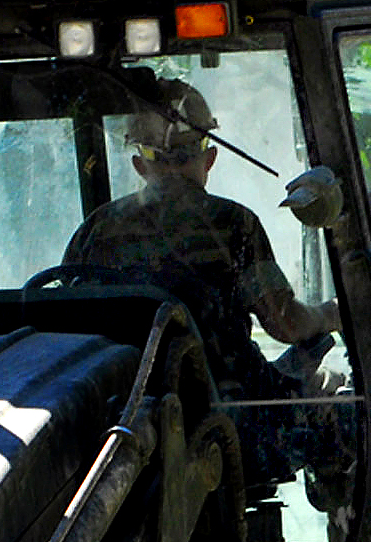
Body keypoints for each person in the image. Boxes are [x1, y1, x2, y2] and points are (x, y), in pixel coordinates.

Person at [63, 78, 338, 398]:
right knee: (327, 385)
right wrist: (330, 314)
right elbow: (285, 324)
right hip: (227, 407)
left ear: (140, 166)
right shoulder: (236, 224)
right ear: (209, 159)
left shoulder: (95, 229)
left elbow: (71, 328)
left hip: (122, 405)